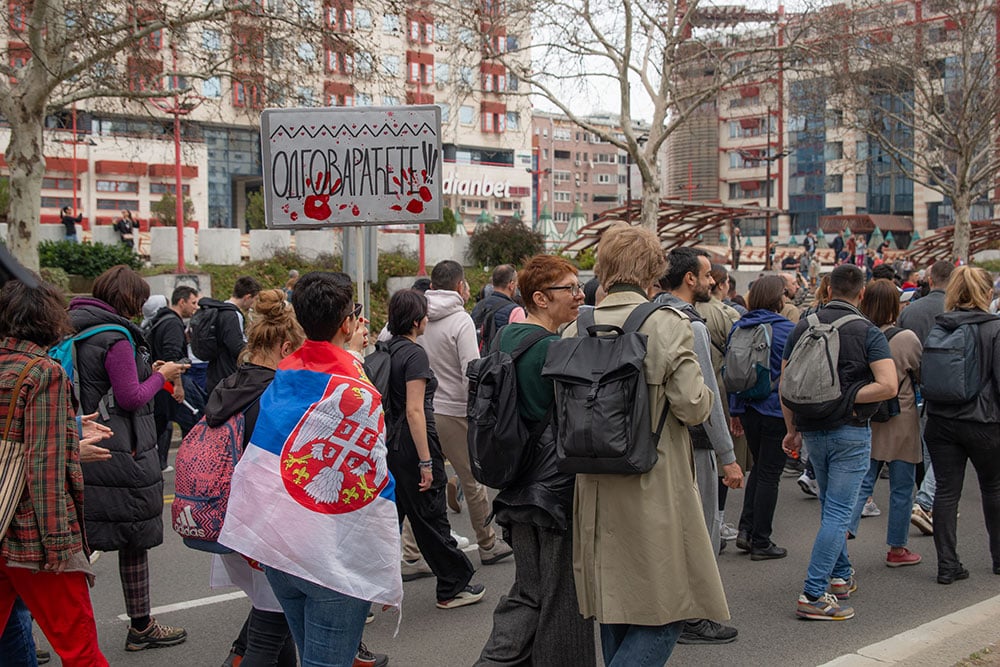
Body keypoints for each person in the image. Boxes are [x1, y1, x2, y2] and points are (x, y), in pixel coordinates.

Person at [219, 272, 402, 666]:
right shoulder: (358, 391)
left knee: (311, 657)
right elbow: (372, 485)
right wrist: (381, 563)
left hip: (280, 546)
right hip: (330, 555)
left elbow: (261, 463)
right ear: (348, 323)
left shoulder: (285, 373)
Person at [566, 223, 727, 665]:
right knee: (670, 609)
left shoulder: (577, 327)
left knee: (614, 603)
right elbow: (694, 407)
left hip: (593, 481)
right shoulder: (667, 323)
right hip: (653, 478)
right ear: (652, 270)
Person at [476, 255, 595, 666]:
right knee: (563, 596)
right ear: (541, 298)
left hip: (514, 481)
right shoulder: (553, 348)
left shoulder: (503, 340)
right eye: (571, 289)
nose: (580, 296)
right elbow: (574, 421)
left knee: (528, 590)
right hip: (553, 487)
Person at [68, 265, 190, 650]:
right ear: (128, 300)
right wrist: (162, 375)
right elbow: (131, 397)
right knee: (133, 536)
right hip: (120, 448)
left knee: (78, 543)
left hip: (84, 438)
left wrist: (145, 373)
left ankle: (41, 627)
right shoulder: (115, 337)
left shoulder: (76, 327)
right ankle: (141, 626)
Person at [0, 278, 113, 666]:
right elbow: (44, 465)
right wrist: (59, 545)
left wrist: (71, 432)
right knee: (79, 649)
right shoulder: (42, 373)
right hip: (29, 535)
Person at [781, 263, 897, 621]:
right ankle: (814, 593)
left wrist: (792, 430)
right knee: (838, 512)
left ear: (828, 289)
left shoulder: (803, 326)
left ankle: (840, 575)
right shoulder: (868, 332)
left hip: (813, 428)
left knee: (831, 506)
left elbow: (787, 385)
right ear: (861, 293)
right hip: (850, 431)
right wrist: (848, 398)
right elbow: (889, 385)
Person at [208, 289, 304, 667]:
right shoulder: (274, 394)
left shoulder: (228, 386)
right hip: (268, 528)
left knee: (274, 622)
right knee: (270, 629)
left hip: (231, 518)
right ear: (284, 347)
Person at [655, 248, 742, 646]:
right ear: (690, 278)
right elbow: (706, 400)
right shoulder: (692, 326)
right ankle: (693, 617)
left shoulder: (647, 316)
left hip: (653, 444)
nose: (711, 282)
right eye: (707, 276)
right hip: (696, 444)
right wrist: (729, 458)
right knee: (703, 532)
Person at [405, 260, 511, 577]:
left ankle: (410, 553)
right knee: (473, 480)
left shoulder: (414, 313)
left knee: (422, 482)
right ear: (461, 286)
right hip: (454, 411)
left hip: (419, 409)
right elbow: (472, 371)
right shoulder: (460, 320)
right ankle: (488, 543)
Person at [384, 289, 484, 609]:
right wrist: (427, 461)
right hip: (413, 444)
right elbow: (415, 410)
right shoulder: (414, 354)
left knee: (388, 523)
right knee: (431, 517)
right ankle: (452, 585)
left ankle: (362, 596)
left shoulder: (385, 349)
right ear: (417, 320)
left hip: (390, 444)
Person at [922, 266, 1000, 584]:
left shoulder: (939, 327)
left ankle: (948, 564)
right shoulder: (994, 329)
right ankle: (998, 558)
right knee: (993, 488)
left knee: (945, 491)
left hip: (940, 421)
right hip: (984, 421)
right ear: (988, 294)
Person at [848, 279, 923, 567]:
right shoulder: (907, 338)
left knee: (862, 482)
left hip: (866, 414)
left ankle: (843, 535)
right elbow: (920, 374)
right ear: (895, 304)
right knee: (902, 488)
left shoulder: (859, 332)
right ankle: (897, 549)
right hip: (900, 417)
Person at [730, 276, 795, 560]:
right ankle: (761, 541)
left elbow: (732, 370)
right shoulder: (788, 330)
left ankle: (746, 530)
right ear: (778, 298)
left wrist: (734, 410)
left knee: (759, 468)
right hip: (776, 409)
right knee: (770, 473)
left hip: (747, 407)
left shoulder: (739, 325)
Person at [898, 260, 955, 535]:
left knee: (929, 446)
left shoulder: (911, 311)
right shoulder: (955, 309)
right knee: (947, 450)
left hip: (917, 387)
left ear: (930, 280)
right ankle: (930, 500)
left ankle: (929, 499)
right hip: (955, 388)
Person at [147, 286, 203, 471]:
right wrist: (178, 385)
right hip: (170, 384)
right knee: (195, 424)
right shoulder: (172, 323)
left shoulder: (161, 320)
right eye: (193, 302)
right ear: (182, 301)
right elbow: (171, 358)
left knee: (159, 426)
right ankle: (192, 466)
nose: (195, 307)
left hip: (161, 384)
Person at [198, 275, 261, 395]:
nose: (254, 304)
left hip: (214, 369)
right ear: (247, 297)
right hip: (226, 372)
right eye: (255, 299)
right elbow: (235, 346)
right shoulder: (233, 314)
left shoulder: (219, 309)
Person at [471, 264, 526, 352]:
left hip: (478, 362)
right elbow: (519, 346)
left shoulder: (478, 306)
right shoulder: (516, 311)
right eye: (516, 284)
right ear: (511, 285)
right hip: (501, 363)